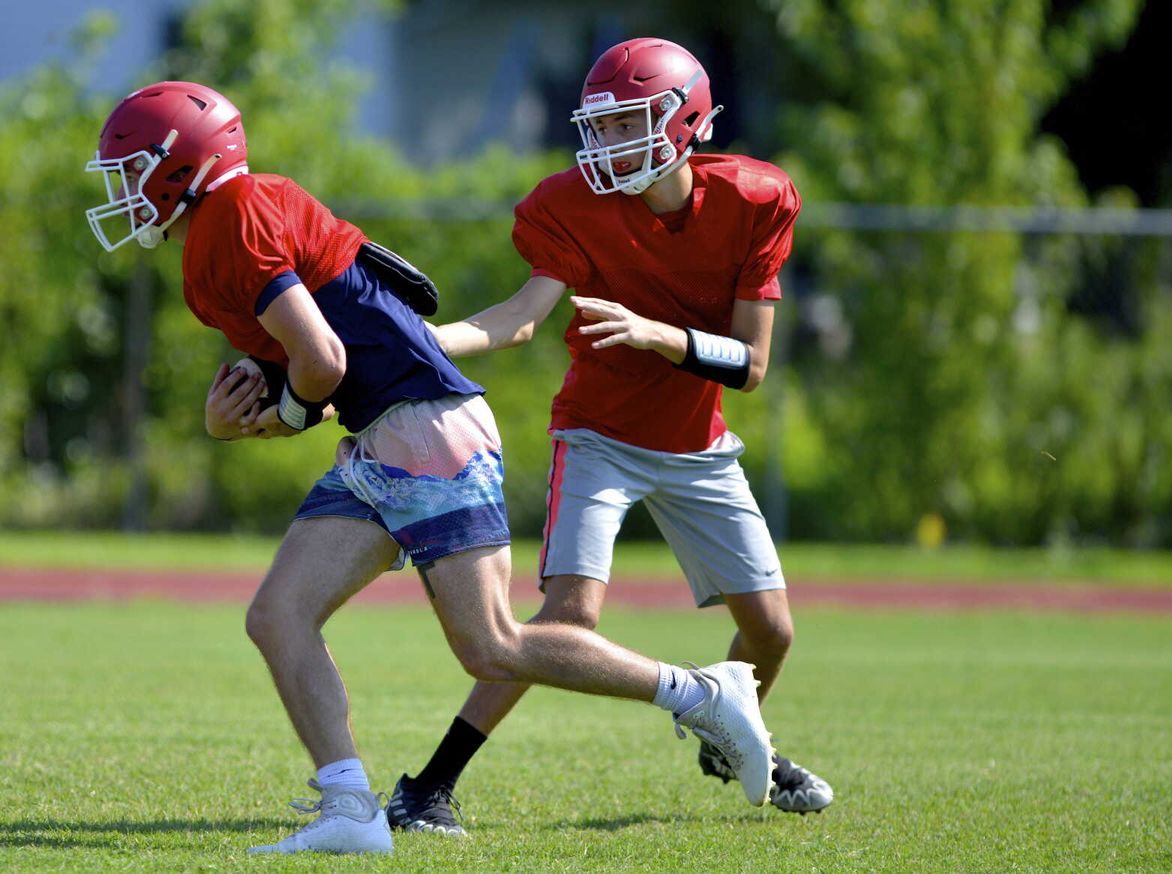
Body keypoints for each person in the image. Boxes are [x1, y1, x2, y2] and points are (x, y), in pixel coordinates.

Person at [83, 80, 778, 855]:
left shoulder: (231, 219)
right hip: (387, 432)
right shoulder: (240, 215)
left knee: (492, 646)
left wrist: (269, 419)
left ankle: (706, 694)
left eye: (132, 169)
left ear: (182, 166)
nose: (123, 190)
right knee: (278, 616)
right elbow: (326, 370)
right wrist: (237, 420)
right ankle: (349, 809)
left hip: (426, 431)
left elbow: (321, 361)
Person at [386, 37, 835, 836]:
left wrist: (655, 334)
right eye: (603, 126)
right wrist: (416, 339)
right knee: (567, 620)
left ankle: (729, 738)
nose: (611, 144)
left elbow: (753, 363)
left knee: (772, 630)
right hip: (597, 433)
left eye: (631, 125)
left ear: (687, 124)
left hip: (698, 442)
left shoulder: (757, 198)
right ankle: (429, 785)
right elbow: (518, 319)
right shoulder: (571, 203)